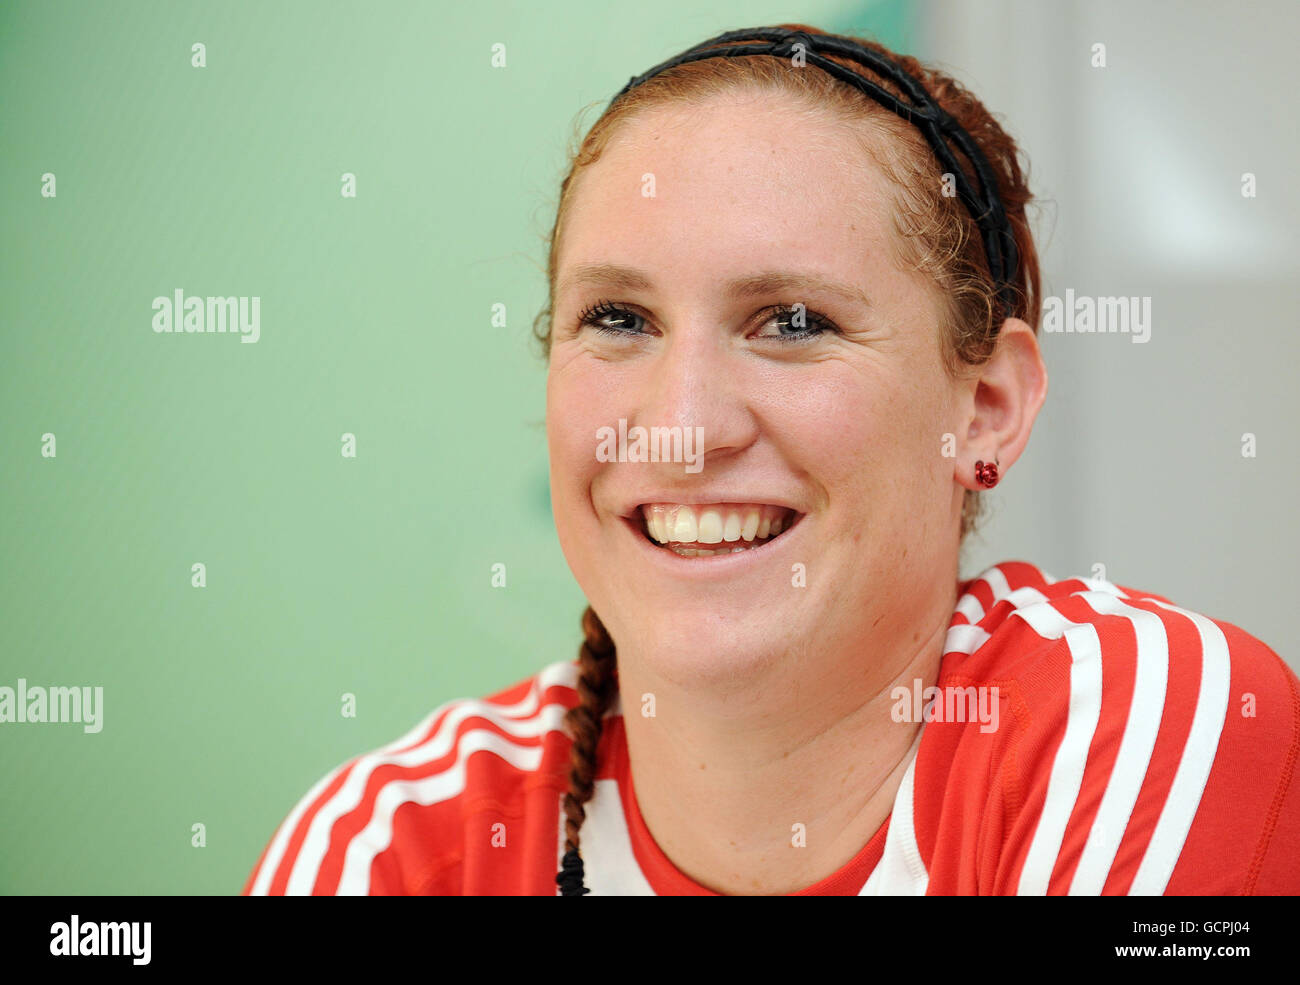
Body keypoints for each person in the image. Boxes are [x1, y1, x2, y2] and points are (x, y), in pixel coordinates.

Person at [241, 24, 1300, 896]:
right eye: (617, 317)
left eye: (791, 321)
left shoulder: (1135, 723)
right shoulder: (383, 850)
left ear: (983, 407)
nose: (683, 425)